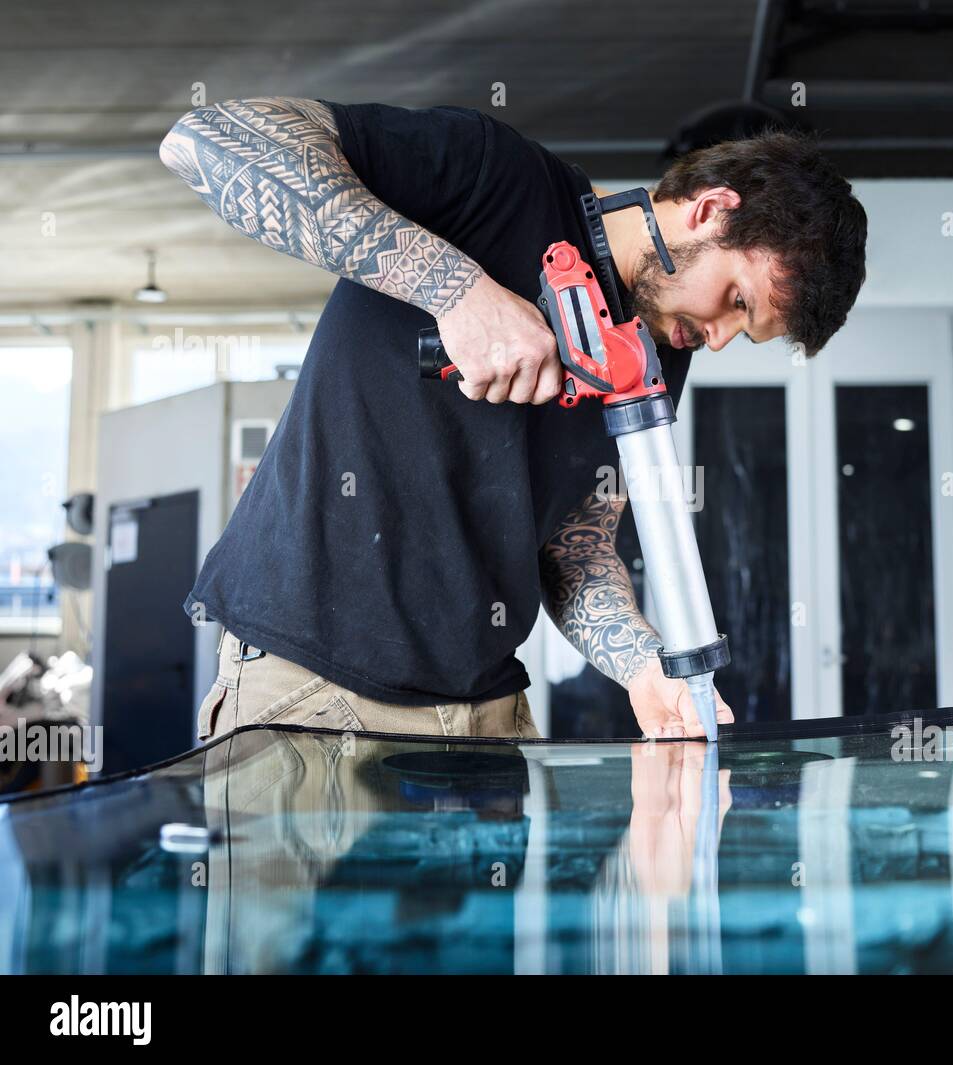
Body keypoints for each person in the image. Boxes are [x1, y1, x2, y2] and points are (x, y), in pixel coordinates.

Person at [158, 97, 867, 742]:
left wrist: (646, 667)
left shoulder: (661, 349)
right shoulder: (495, 175)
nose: (717, 338)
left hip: (483, 713)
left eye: (744, 333)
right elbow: (209, 138)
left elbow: (576, 550)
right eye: (738, 302)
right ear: (710, 210)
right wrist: (457, 290)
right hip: (309, 689)